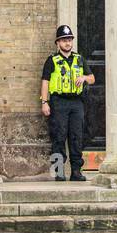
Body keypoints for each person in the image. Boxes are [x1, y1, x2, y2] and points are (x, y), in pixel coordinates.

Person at [40, 24, 95, 182]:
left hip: (77, 103)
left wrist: (84, 78)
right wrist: (45, 102)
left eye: (69, 39)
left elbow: (92, 78)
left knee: (77, 136)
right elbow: (45, 82)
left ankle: (76, 171)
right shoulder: (52, 61)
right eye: (64, 40)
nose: (67, 43)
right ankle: (58, 171)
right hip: (59, 102)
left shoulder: (79, 59)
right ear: (58, 43)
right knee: (58, 136)